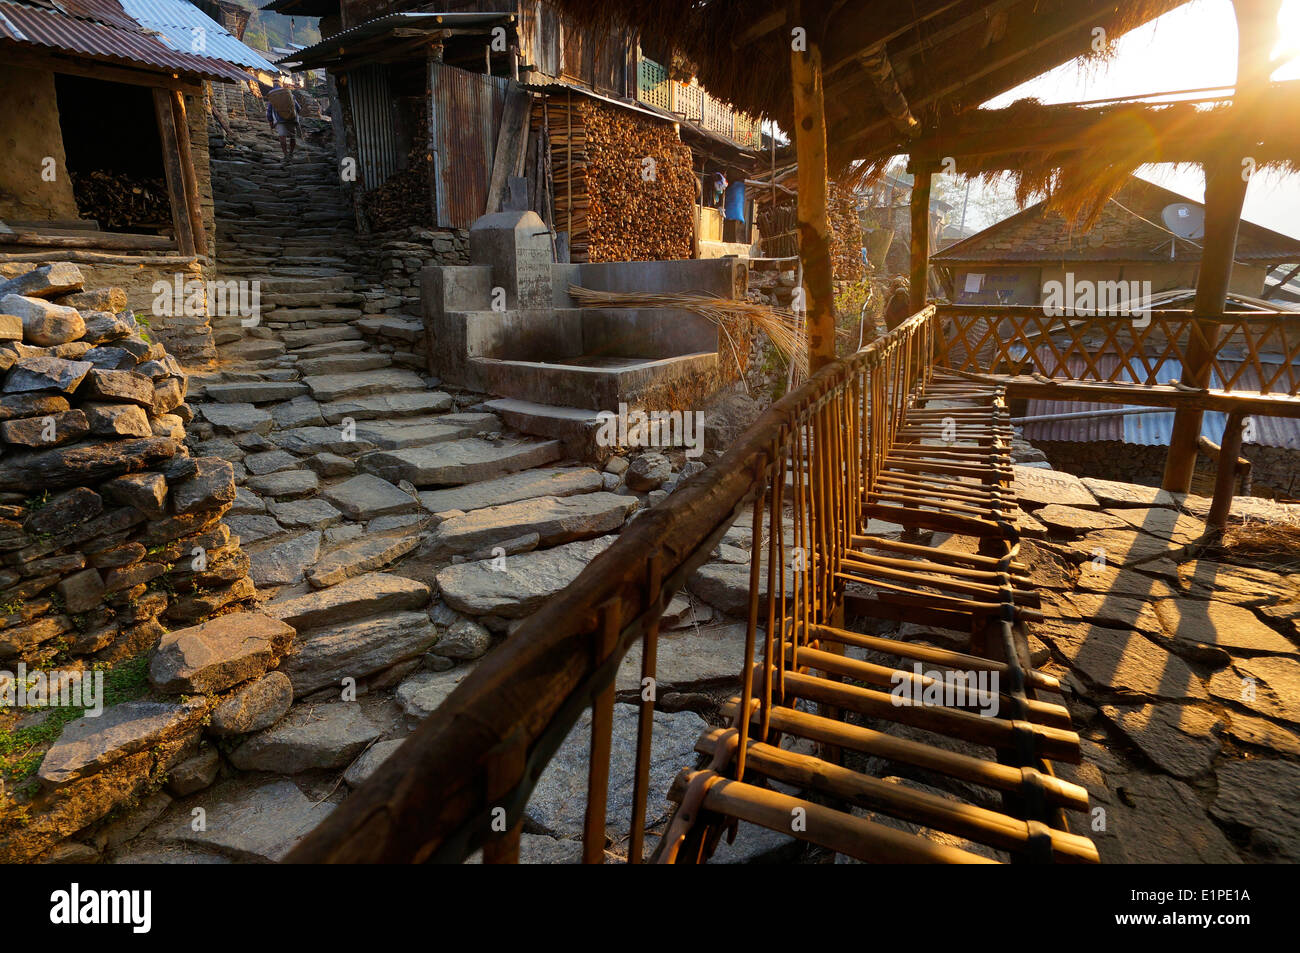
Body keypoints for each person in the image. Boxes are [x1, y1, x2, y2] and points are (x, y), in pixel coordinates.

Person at [266, 83, 300, 162]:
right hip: (292, 119)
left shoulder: (273, 98)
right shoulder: (290, 96)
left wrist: (271, 122)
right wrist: (295, 115)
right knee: (292, 137)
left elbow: (269, 112)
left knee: (282, 137)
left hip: (279, 120)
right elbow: (298, 108)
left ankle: (285, 154)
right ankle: (291, 153)